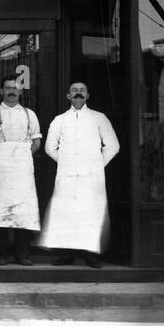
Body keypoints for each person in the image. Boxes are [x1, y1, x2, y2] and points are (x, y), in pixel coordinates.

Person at [40, 81, 121, 268]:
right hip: (67, 175)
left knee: (90, 214)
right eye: (74, 91)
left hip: (91, 176)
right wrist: (67, 162)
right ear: (68, 96)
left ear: (88, 95)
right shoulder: (59, 120)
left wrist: (97, 164)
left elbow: (113, 146)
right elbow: (50, 148)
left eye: (82, 90)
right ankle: (66, 255)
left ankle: (90, 256)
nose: (78, 93)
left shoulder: (99, 118)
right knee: (66, 214)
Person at [0, 74, 42, 266]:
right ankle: (1, 254)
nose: (12, 91)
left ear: (20, 90)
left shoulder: (30, 114)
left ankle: (22, 254)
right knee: (1, 210)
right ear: (1, 91)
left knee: (24, 211)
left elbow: (37, 141)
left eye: (15, 88)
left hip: (23, 167)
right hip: (0, 165)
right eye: (8, 88)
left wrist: (21, 155)